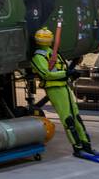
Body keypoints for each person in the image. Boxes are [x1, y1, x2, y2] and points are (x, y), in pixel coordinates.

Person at [30, 27, 93, 156]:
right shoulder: (38, 57)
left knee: (76, 117)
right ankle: (77, 147)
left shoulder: (53, 54)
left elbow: (59, 70)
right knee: (68, 119)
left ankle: (86, 145)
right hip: (55, 89)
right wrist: (66, 73)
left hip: (64, 86)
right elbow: (46, 74)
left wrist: (70, 75)